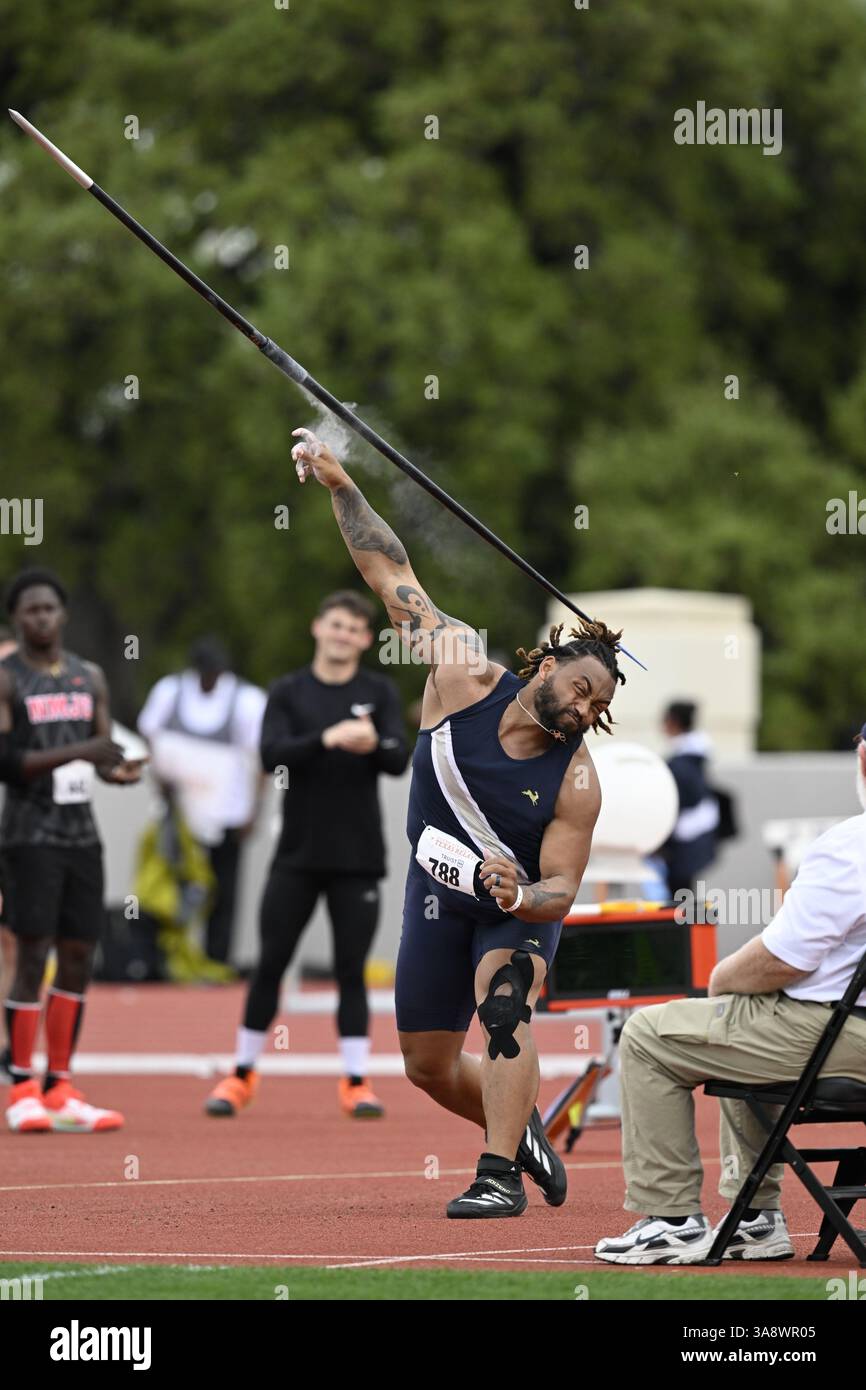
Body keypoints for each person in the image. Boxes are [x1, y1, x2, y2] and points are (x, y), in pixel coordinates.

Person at [287, 427, 624, 1217]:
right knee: (427, 1065)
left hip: (514, 911)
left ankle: (497, 1175)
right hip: (438, 895)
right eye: (579, 690)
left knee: (503, 1004)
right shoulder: (460, 668)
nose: (583, 710)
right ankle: (522, 1128)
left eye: (598, 708)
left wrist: (519, 894)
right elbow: (388, 570)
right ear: (546, 667)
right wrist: (342, 486)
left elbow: (562, 891)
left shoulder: (577, 779)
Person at [594, 721, 866, 1265]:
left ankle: (672, 1218)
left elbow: (782, 960)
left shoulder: (850, 845)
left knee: (649, 1033)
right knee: (746, 1019)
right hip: (840, 1030)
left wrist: (722, 980)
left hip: (841, 1034)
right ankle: (753, 1218)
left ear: (863, 761)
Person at [204, 590, 410, 1120]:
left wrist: (371, 745)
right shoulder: (288, 691)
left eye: (354, 629)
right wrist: (328, 738)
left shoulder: (379, 690)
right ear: (317, 627)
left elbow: (397, 757)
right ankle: (242, 1073)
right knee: (270, 962)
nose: (343, 635)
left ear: (366, 639)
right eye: (335, 624)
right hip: (296, 854)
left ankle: (357, 1081)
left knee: (350, 969)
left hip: (358, 855)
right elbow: (272, 754)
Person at [0, 568, 144, 1134]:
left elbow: (104, 757)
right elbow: (7, 764)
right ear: (17, 618)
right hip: (28, 835)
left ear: (62, 615)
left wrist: (119, 772)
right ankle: (22, 1085)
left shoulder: (89, 677)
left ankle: (61, 1083)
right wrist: (85, 748)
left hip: (81, 835)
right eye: (30, 610)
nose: (40, 618)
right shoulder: (8, 679)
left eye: (49, 609)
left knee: (80, 954)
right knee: (32, 953)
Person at [137, 637, 267, 965]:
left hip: (228, 810)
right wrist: (159, 778)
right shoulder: (170, 692)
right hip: (180, 811)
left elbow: (261, 761)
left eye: (215, 673)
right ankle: (166, 958)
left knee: (223, 889)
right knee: (171, 882)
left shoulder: (247, 701)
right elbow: (149, 737)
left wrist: (255, 810)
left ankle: (216, 957)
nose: (208, 679)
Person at [660, 700, 720, 906]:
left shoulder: (682, 762)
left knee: (680, 897)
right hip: (691, 838)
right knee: (684, 895)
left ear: (674, 722)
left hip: (686, 841)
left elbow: (687, 798)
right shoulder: (692, 757)